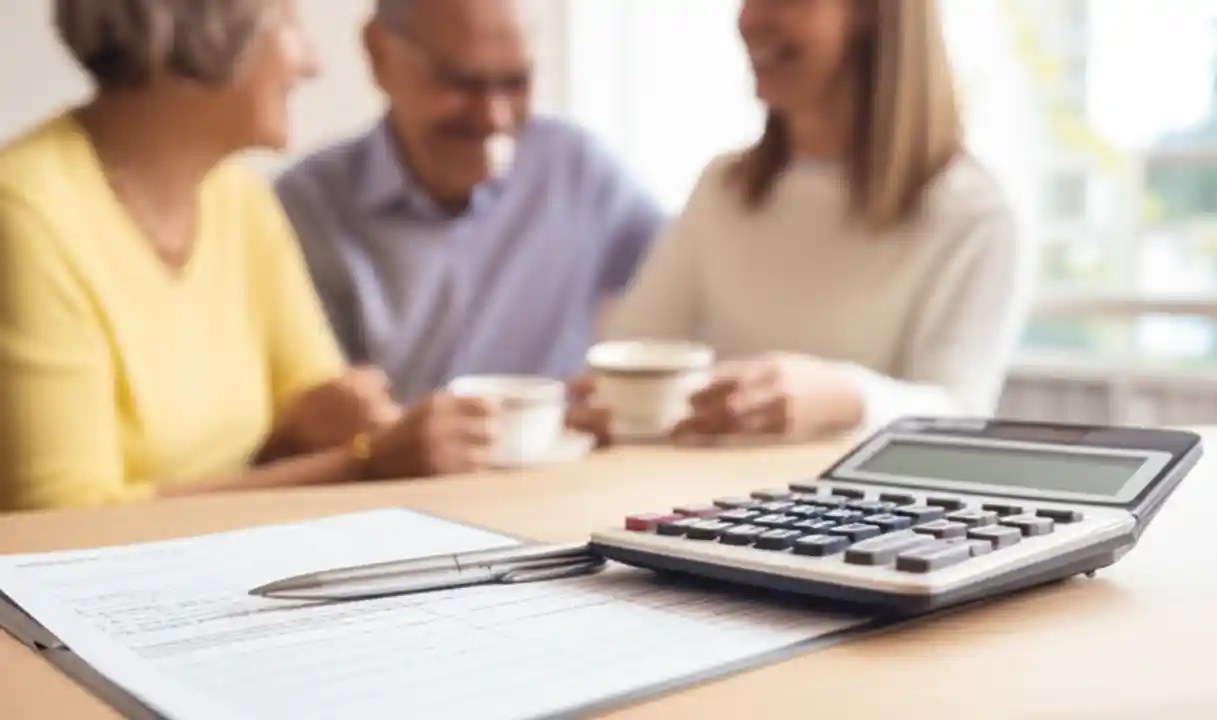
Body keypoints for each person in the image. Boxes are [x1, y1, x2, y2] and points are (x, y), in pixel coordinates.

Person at [0, 0, 496, 512]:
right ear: (203, 35)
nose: (311, 63)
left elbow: (314, 403)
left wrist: (359, 423)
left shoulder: (236, 195)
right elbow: (61, 519)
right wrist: (361, 464)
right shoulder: (23, 214)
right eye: (288, 24)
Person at [587, 0, 1032, 442]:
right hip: (700, 501)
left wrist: (845, 398)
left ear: (871, 14)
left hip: (862, 510)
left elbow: (958, 415)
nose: (750, 18)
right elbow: (633, 350)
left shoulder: (974, 215)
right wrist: (597, 404)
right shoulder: (723, 188)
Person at [275, 0, 663, 405]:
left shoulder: (578, 173)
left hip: (562, 463)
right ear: (379, 54)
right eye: (459, 82)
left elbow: (696, 274)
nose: (493, 117)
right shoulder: (303, 210)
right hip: (393, 468)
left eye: (516, 82)